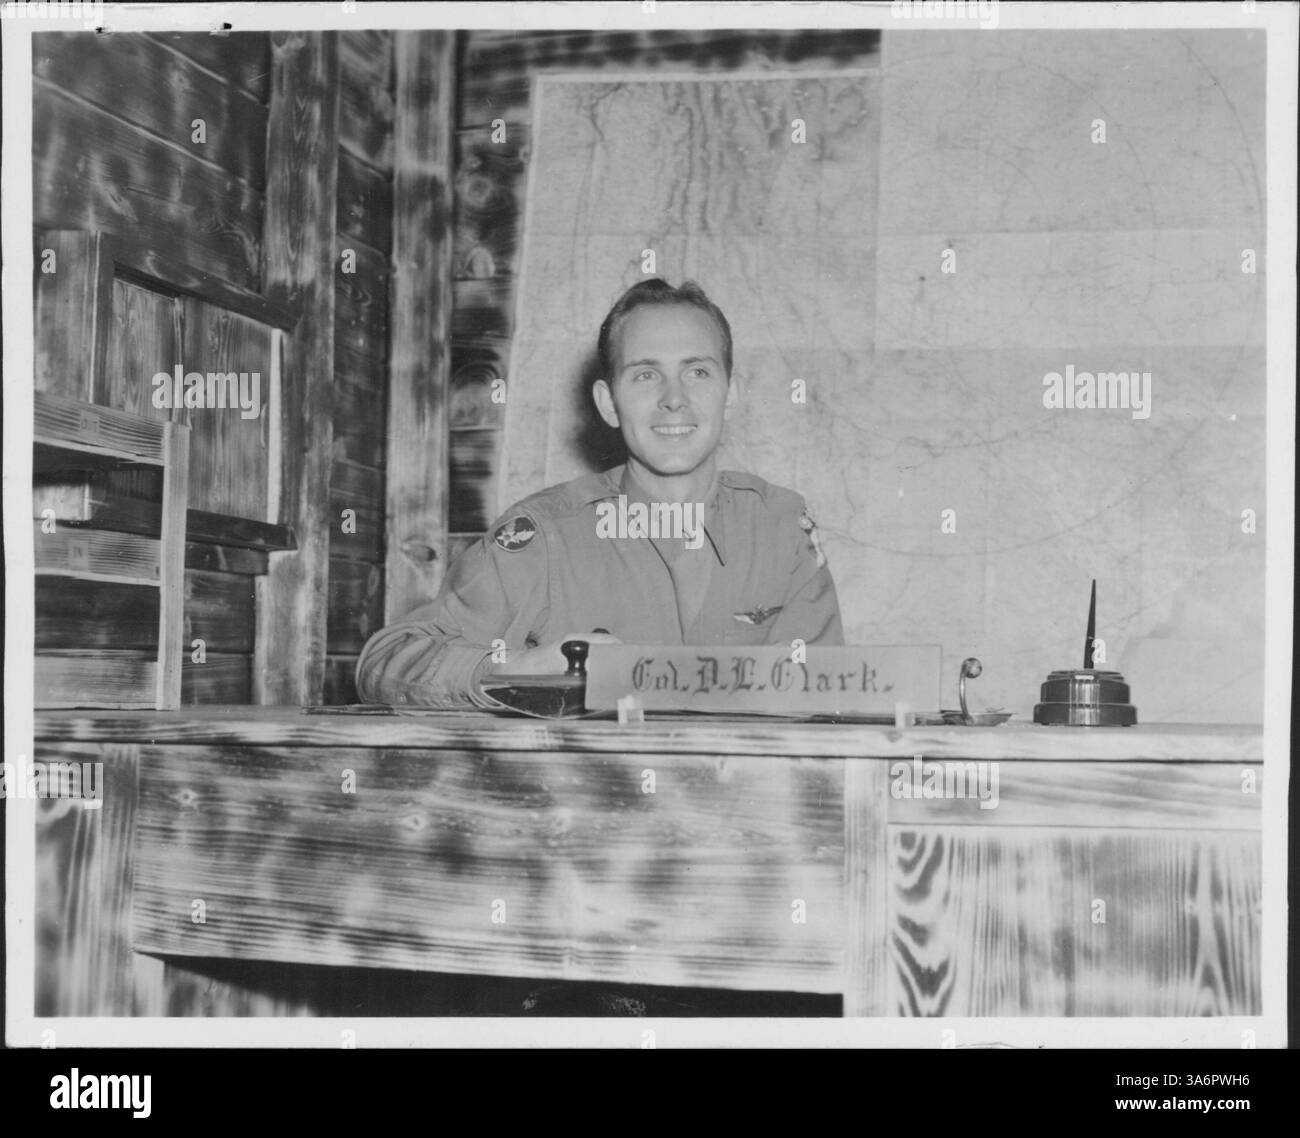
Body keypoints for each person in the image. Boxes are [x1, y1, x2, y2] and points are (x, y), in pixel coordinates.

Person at [356, 278, 843, 708]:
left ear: (729, 393)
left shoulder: (779, 525)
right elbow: (385, 663)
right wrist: (523, 670)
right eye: (646, 374)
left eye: (697, 371)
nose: (674, 399)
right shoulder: (544, 537)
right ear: (609, 403)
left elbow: (825, 694)